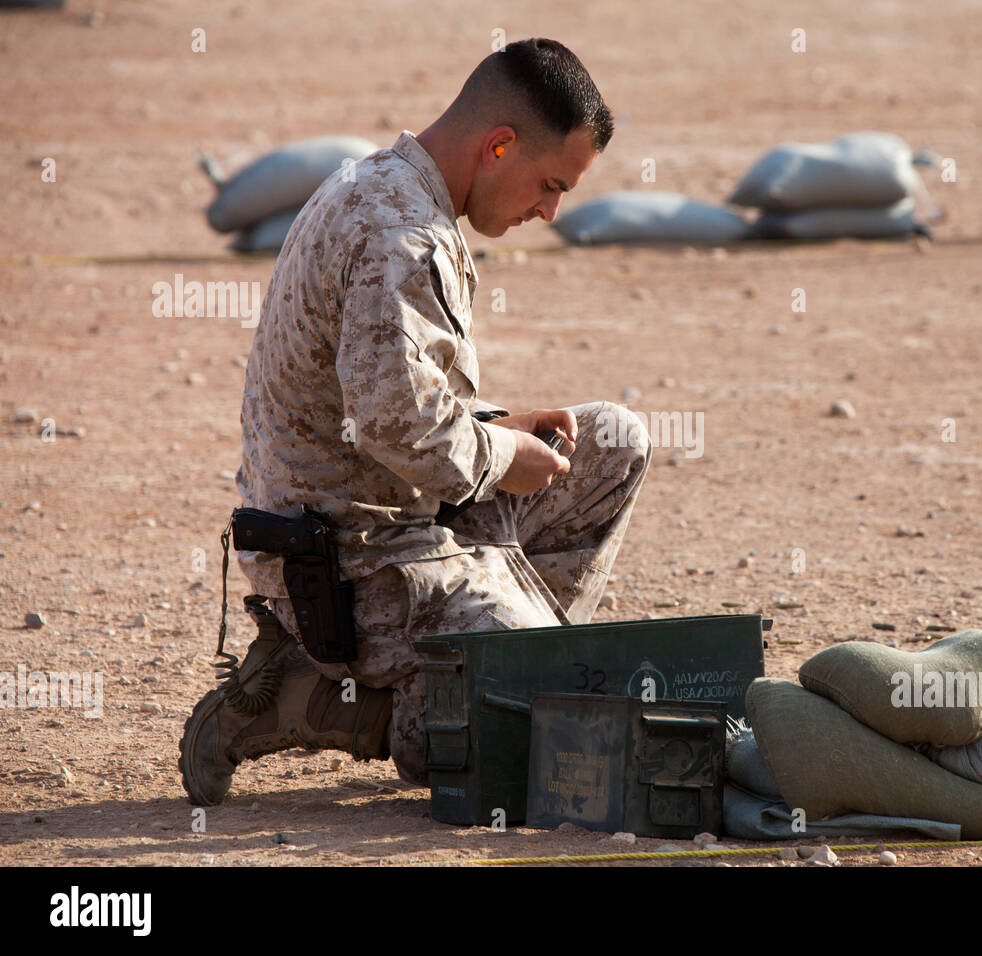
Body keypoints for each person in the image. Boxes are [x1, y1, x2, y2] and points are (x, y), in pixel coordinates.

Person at [180, 38, 651, 806]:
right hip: (345, 560)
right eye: (549, 184)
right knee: (544, 719)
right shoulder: (398, 232)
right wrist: (500, 454)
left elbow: (395, 400)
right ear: (498, 146)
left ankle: (485, 665)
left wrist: (502, 426)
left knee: (617, 444)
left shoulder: (399, 193)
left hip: (396, 507)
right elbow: (394, 427)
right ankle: (340, 697)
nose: (550, 210)